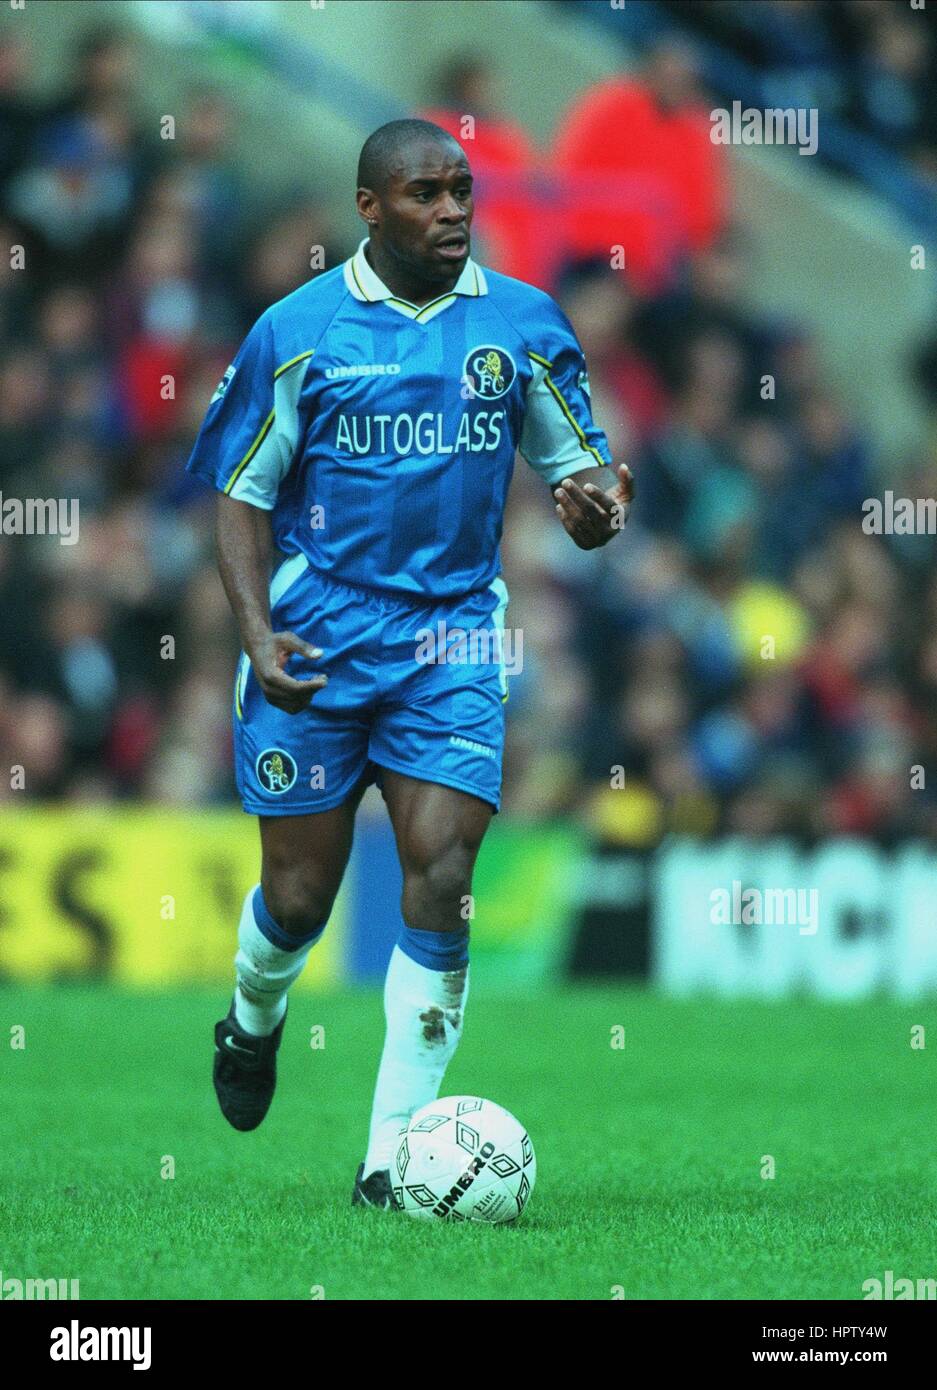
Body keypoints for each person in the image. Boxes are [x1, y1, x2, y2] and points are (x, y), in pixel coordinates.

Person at [185, 117, 633, 1210]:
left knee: (441, 869)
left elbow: (589, 477)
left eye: (462, 193)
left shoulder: (523, 324)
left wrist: (595, 509)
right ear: (369, 208)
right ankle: (252, 1018)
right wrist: (254, 631)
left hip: (452, 638)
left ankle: (389, 1160)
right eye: (425, 196)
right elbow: (239, 491)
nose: (451, 213)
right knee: (298, 897)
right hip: (319, 634)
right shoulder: (296, 331)